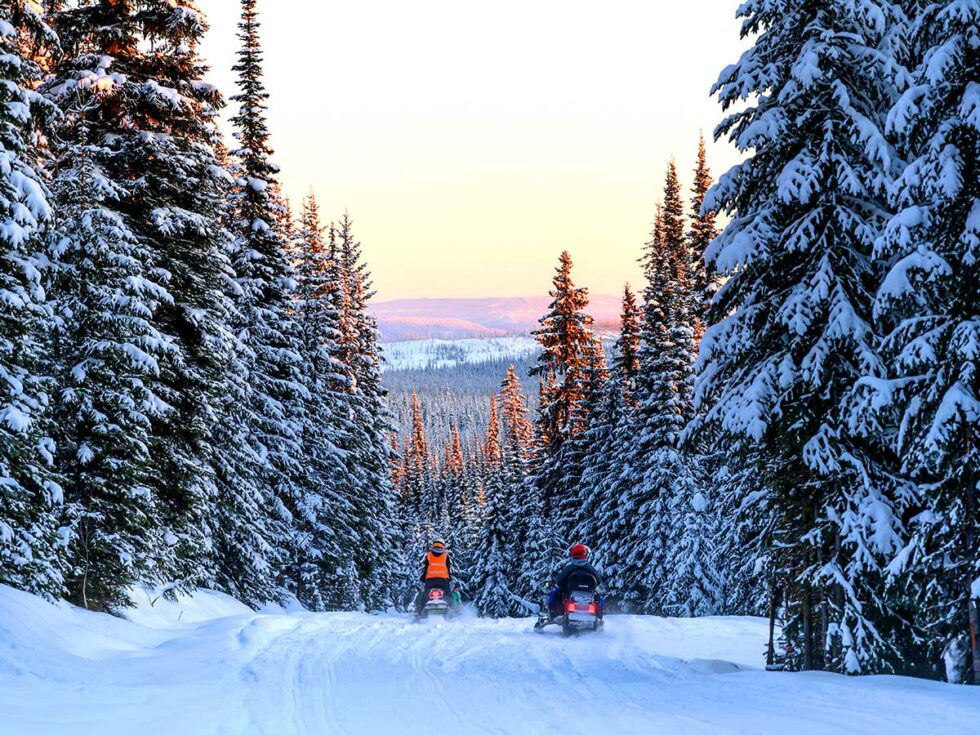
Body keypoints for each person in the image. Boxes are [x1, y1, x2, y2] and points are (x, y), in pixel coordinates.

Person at [548, 543, 602, 619]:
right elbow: (598, 581)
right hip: (589, 594)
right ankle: (598, 616)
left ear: (572, 555)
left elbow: (559, 580)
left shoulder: (569, 567)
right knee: (599, 596)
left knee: (556, 593)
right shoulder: (590, 568)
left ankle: (557, 615)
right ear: (585, 554)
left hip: (570, 594)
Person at [415, 539, 453, 616]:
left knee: (424, 596)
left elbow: (426, 568)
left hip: (430, 580)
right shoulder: (445, 555)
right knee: (448, 595)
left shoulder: (429, 555)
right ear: (443, 545)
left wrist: (423, 578)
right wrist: (450, 578)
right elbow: (448, 568)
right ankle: (452, 612)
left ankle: (420, 612)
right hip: (443, 580)